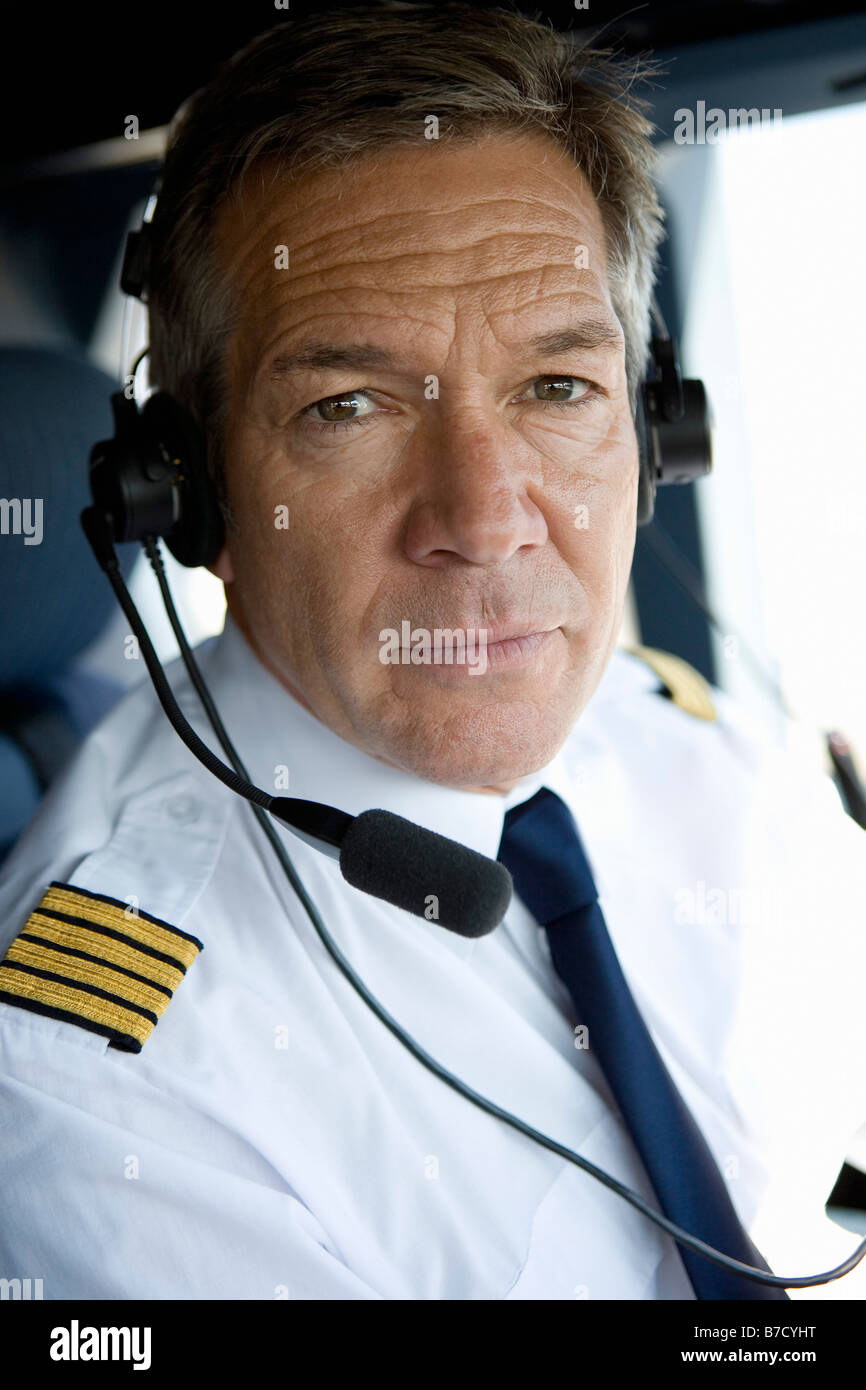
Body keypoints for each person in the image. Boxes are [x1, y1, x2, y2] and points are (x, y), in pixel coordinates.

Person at [0, 1, 864, 1301]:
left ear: (653, 434)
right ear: (187, 496)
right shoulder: (100, 1084)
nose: (481, 519)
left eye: (557, 387)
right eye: (346, 406)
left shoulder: (676, 741)